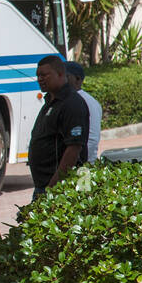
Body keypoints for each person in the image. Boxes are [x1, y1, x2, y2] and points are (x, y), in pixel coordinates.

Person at [27, 55, 90, 199]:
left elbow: (73, 150)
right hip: (43, 187)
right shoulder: (50, 102)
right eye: (37, 76)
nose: (40, 79)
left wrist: (53, 188)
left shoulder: (72, 104)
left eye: (44, 75)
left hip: (61, 189)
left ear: (61, 74)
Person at [64, 61, 101, 162]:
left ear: (78, 79)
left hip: (82, 163)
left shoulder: (79, 101)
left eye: (66, 76)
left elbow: (91, 139)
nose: (62, 80)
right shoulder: (84, 100)